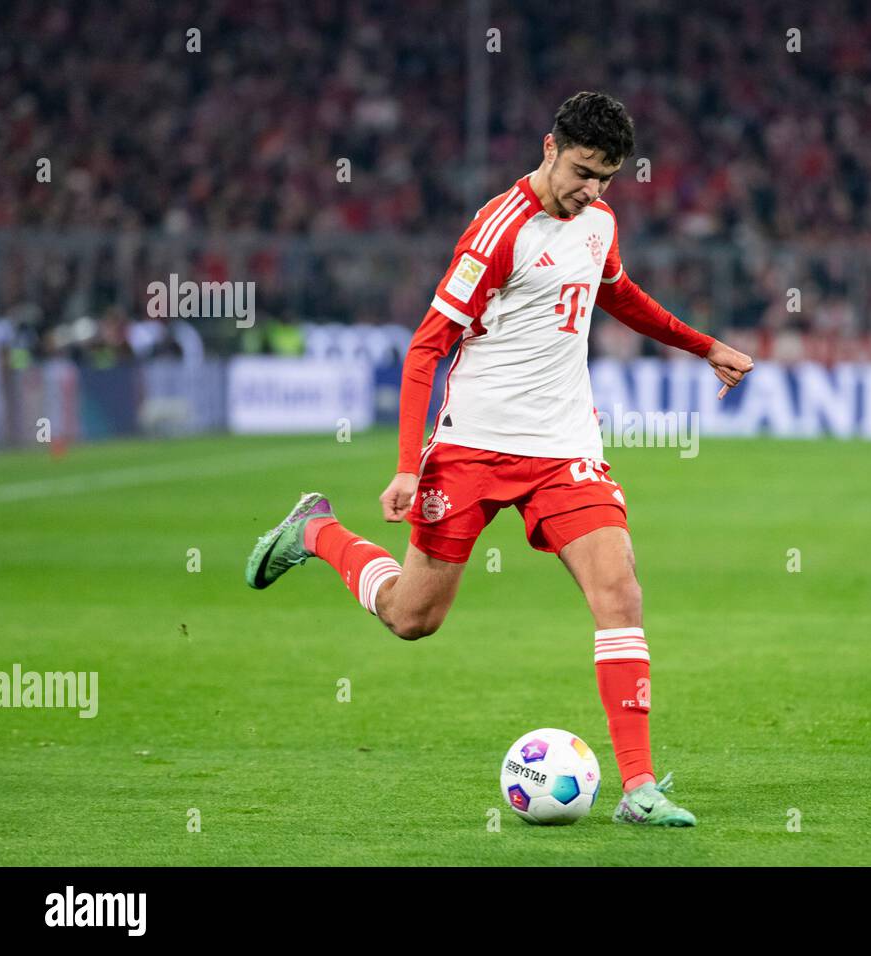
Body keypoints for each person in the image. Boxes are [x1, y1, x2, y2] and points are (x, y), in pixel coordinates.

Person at [245, 92, 754, 827]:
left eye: (607, 178)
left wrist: (704, 345)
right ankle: (318, 532)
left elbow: (619, 295)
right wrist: (407, 465)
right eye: (583, 172)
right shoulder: (498, 232)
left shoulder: (597, 222)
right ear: (550, 147)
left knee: (621, 594)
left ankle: (639, 787)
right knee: (413, 619)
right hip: (473, 448)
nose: (592, 190)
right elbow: (426, 345)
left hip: (565, 448)